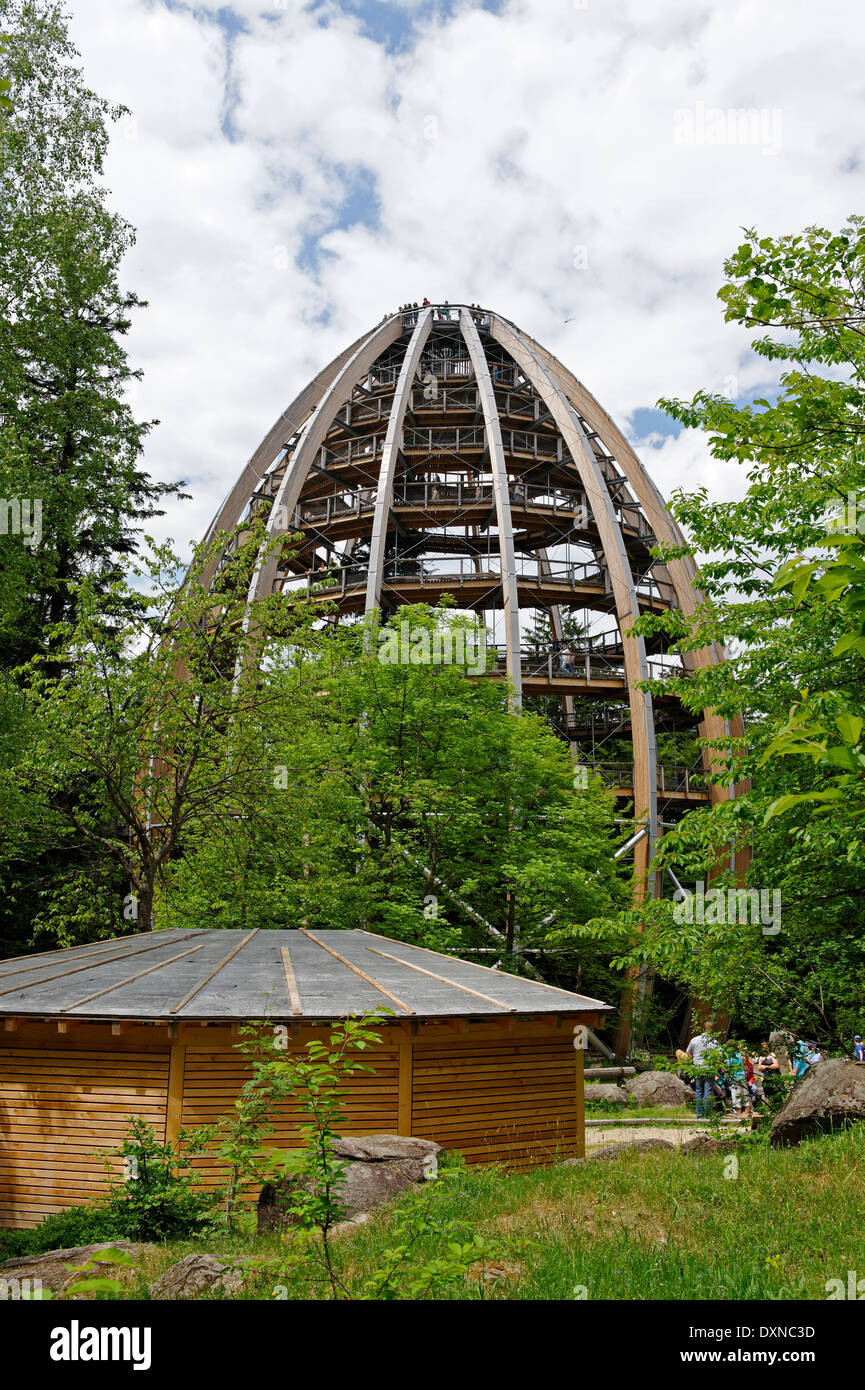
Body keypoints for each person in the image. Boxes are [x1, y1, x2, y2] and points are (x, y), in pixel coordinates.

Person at [685, 1029, 717, 1118]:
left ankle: (699, 1113)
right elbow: (719, 1055)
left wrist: (694, 1059)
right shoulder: (714, 1041)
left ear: (703, 1029)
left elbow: (688, 1052)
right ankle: (708, 1114)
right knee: (708, 1090)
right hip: (709, 1069)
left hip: (698, 1068)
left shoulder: (695, 1039)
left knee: (699, 1090)